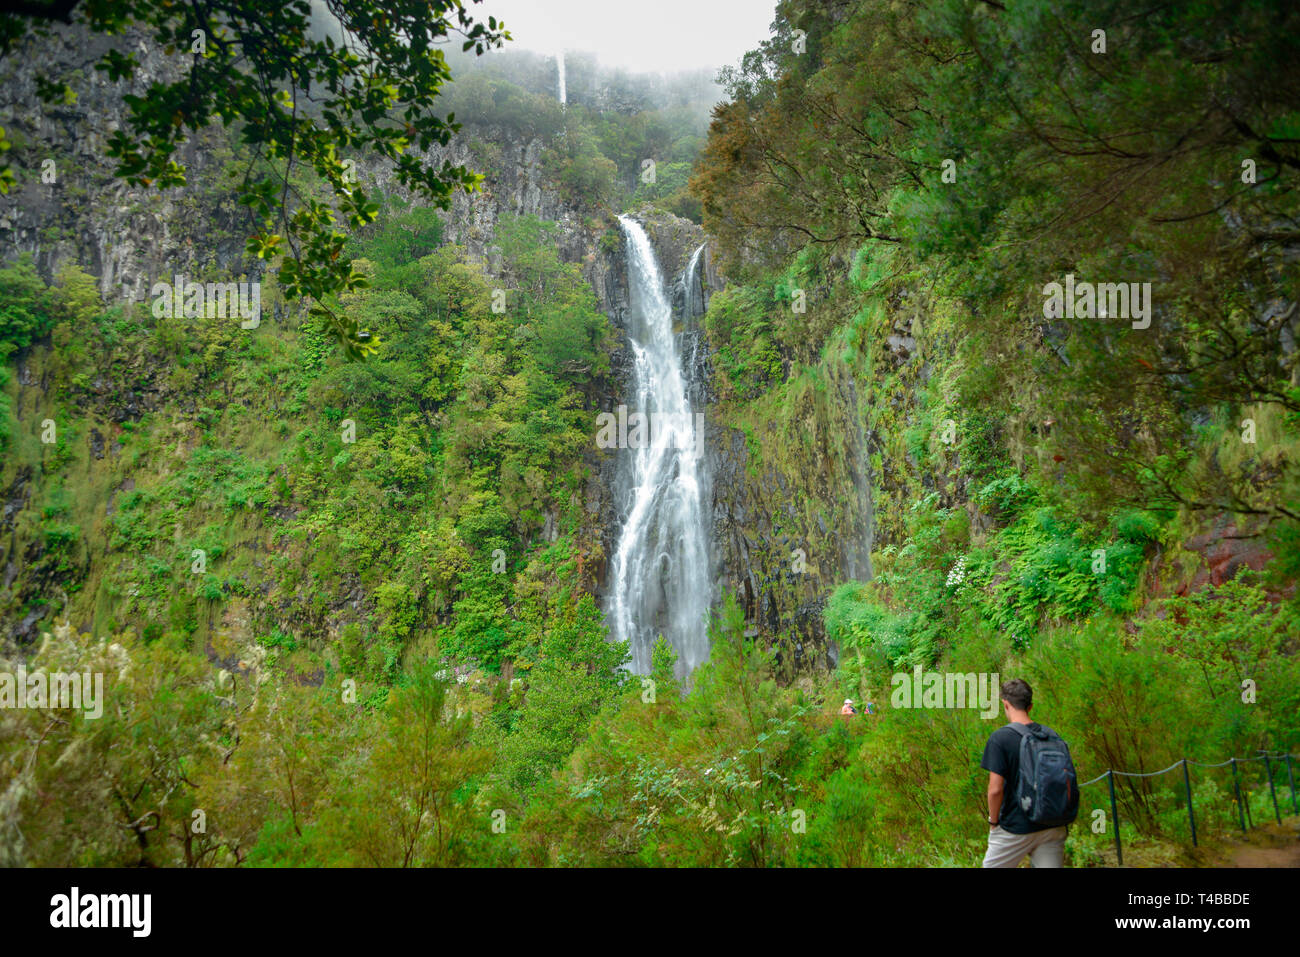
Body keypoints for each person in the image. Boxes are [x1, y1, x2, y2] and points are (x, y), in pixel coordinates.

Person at [980, 678, 1070, 868]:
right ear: (1030, 706)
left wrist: (993, 822)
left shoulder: (1000, 738)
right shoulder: (1052, 735)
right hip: (1053, 826)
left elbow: (995, 789)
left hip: (1015, 827)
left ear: (1005, 704)